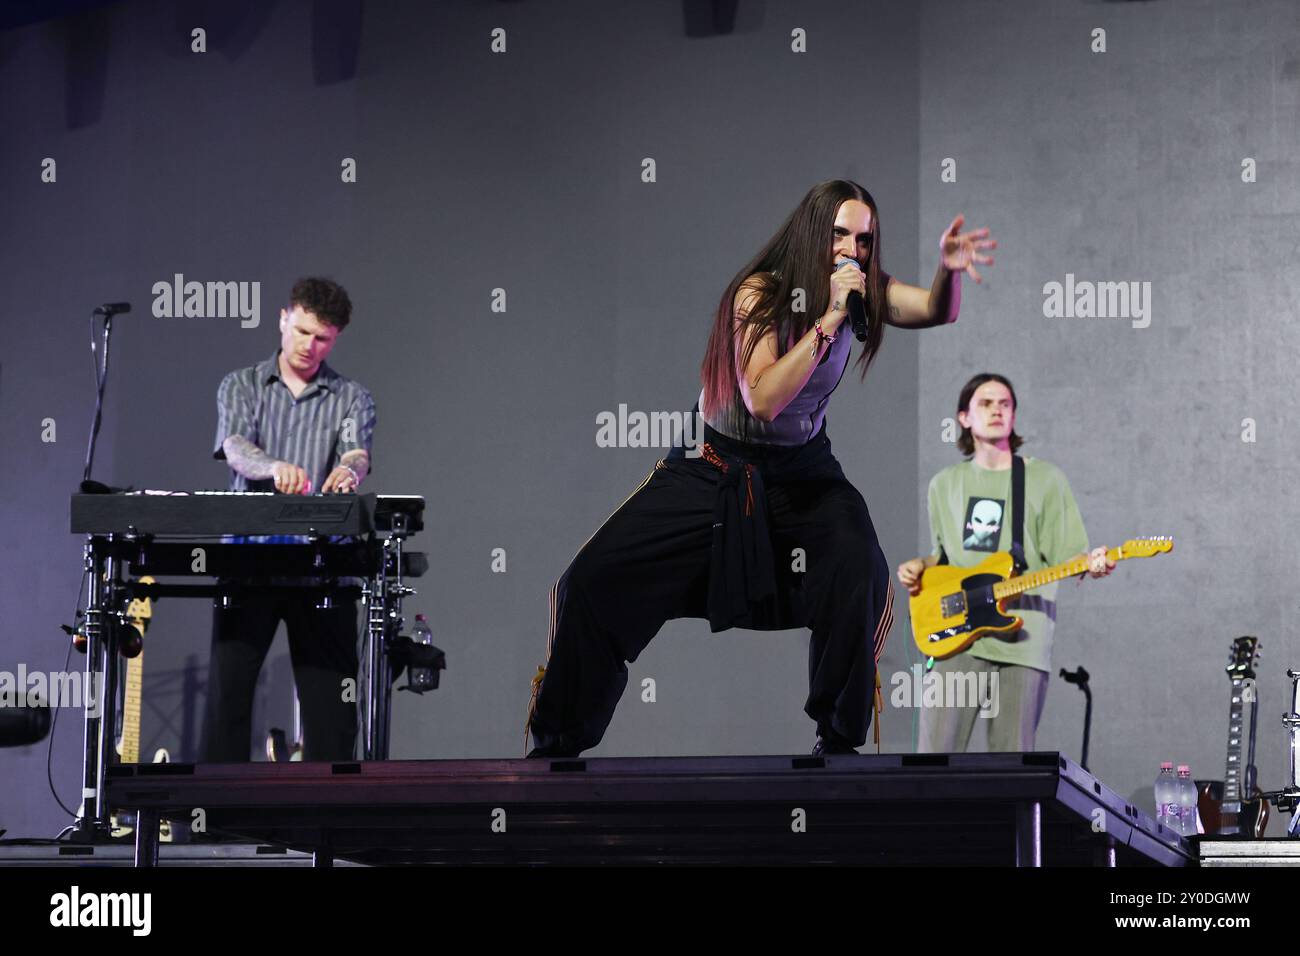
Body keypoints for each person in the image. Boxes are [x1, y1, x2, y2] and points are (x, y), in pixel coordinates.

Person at [526, 179, 997, 757]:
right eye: (840, 235)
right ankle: (555, 746)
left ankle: (839, 742)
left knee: (859, 565)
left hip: (802, 473)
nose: (853, 249)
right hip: (713, 467)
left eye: (865, 239)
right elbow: (764, 399)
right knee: (594, 578)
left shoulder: (862, 290)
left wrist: (948, 272)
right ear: (811, 235)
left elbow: (934, 310)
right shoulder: (758, 296)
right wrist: (827, 319)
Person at [201, 277, 376, 762]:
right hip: (249, 559)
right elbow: (236, 447)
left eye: (321, 338)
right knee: (229, 697)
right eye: (300, 331)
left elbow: (356, 452)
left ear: (335, 338)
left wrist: (347, 469)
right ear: (283, 318)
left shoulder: (351, 398)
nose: (308, 346)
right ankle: (216, 819)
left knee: (331, 705)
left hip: (322, 564)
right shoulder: (241, 384)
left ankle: (327, 821)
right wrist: (273, 467)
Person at [897, 373, 1114, 753]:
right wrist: (921, 564)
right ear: (964, 417)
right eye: (986, 403)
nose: (997, 410)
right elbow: (945, 555)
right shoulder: (943, 484)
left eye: (1005, 404)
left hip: (1022, 640)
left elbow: (1071, 553)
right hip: (955, 637)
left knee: (1012, 770)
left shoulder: (1045, 479)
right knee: (933, 765)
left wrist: (1093, 563)